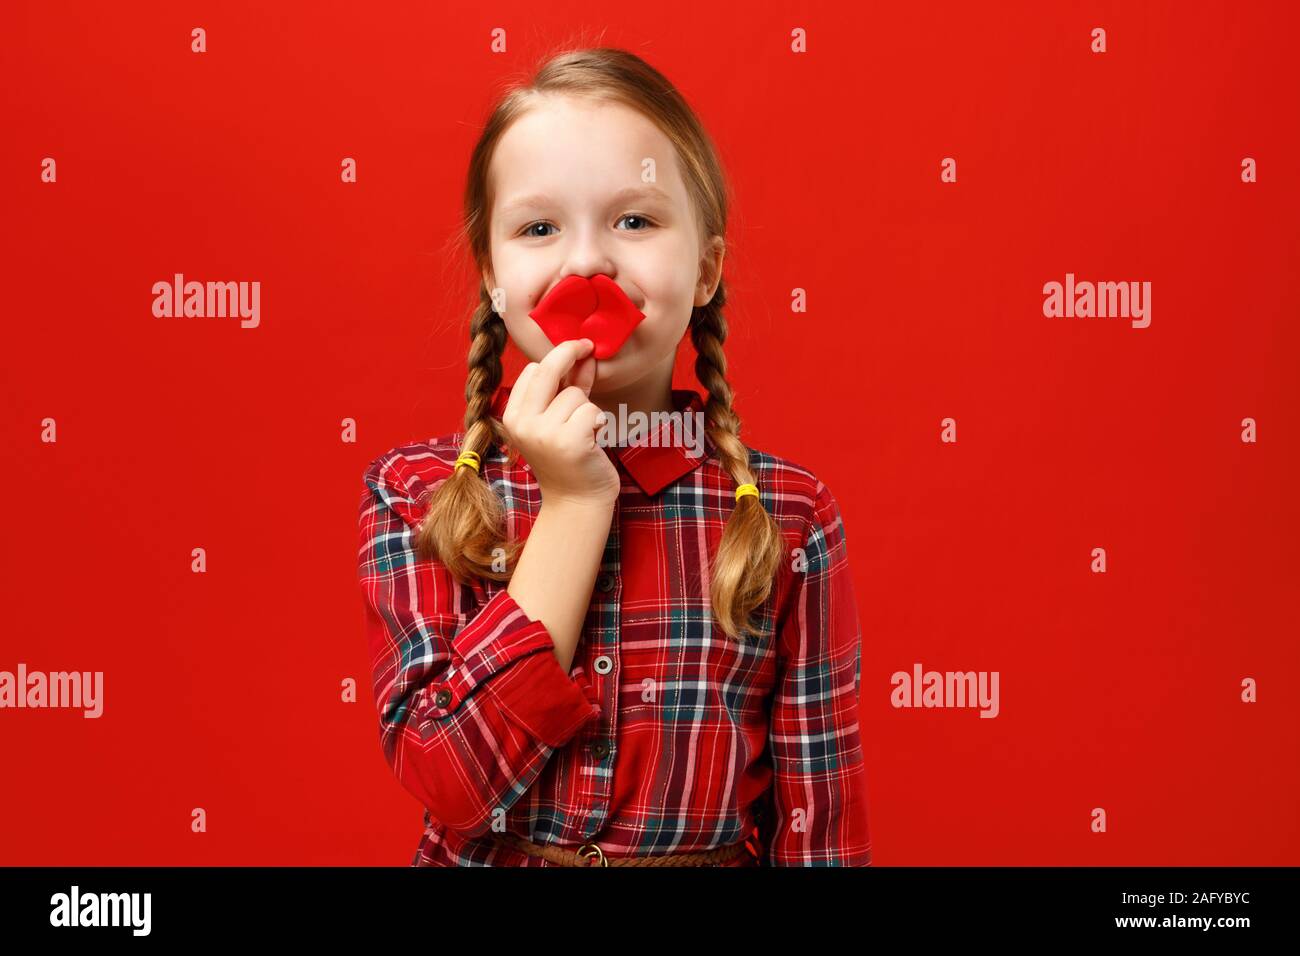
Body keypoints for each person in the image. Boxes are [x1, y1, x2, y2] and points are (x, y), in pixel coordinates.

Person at [356, 46, 872, 867]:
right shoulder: (413, 493)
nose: (589, 262)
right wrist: (573, 504)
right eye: (538, 227)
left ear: (705, 269)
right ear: (492, 276)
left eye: (635, 220)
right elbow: (450, 781)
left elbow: (820, 829)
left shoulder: (791, 519)